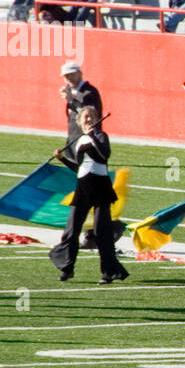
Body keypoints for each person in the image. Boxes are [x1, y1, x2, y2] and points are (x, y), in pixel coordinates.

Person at [49, 106, 129, 285]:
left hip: (100, 187)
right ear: (79, 121)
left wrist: (92, 136)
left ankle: (108, 273)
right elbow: (81, 168)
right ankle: (67, 267)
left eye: (92, 116)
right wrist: (62, 159)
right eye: (86, 117)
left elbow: (104, 155)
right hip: (83, 187)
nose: (89, 119)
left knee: (102, 232)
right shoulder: (78, 140)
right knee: (71, 230)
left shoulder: (101, 136)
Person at [59, 60, 102, 158]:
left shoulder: (90, 92)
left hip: (87, 139)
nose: (69, 78)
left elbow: (90, 116)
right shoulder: (70, 91)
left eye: (72, 74)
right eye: (66, 76)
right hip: (73, 138)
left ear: (80, 73)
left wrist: (71, 100)